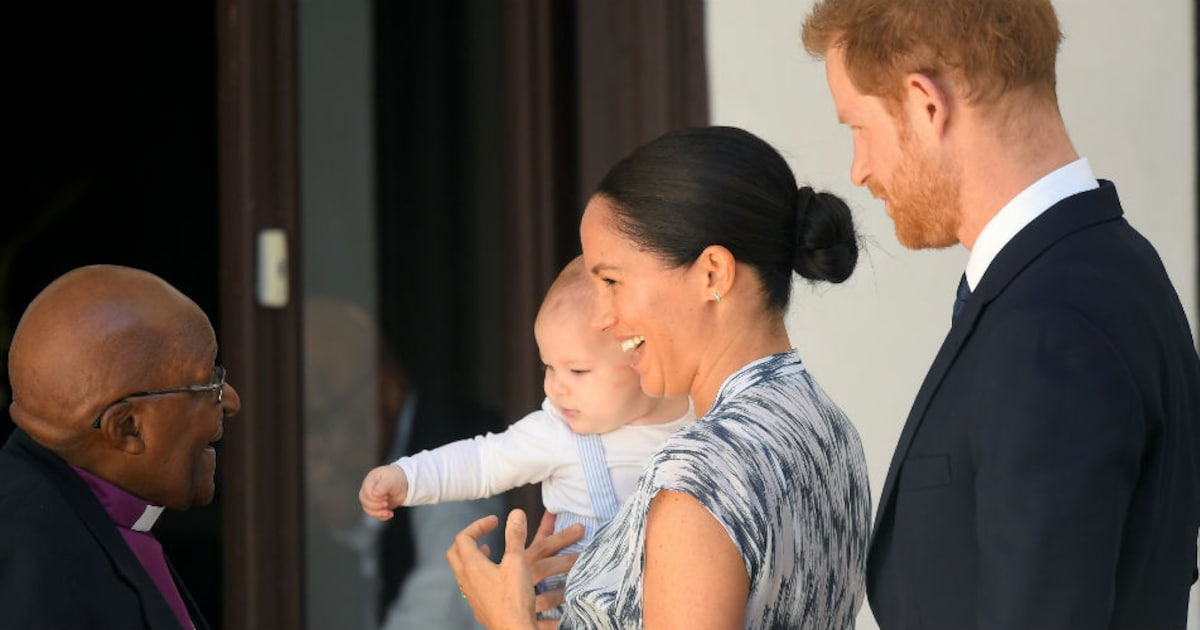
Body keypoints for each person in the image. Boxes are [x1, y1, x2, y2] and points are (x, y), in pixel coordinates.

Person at [801, 2, 1200, 629]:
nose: (860, 170)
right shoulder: (1113, 267)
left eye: (859, 127)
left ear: (925, 105)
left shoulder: (1051, 326)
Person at [447, 125, 872, 630]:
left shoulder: (698, 475)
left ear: (712, 273)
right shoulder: (833, 433)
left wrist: (508, 621)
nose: (601, 316)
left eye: (612, 281)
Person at [360, 256, 694, 619]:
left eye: (577, 370)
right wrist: (406, 477)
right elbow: (483, 461)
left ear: (641, 351)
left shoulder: (700, 413)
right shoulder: (558, 433)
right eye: (548, 366)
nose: (555, 386)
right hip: (574, 614)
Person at [0, 264, 240, 630]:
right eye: (209, 385)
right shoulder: (30, 572)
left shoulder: (63, 508)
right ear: (127, 427)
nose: (232, 401)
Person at [302, 296, 505, 630]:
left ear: (386, 390)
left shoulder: (454, 454)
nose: (308, 448)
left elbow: (443, 607)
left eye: (320, 421)